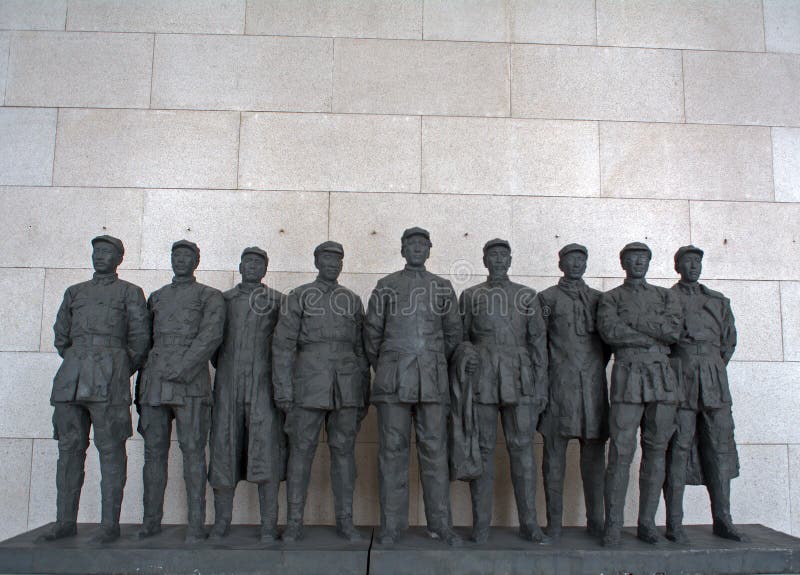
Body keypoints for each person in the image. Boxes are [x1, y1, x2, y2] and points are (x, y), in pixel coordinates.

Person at [38, 235, 150, 544]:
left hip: (109, 378)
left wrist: (115, 368)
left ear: (119, 259)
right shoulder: (75, 292)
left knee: (111, 451)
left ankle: (109, 525)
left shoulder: (130, 293)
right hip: (71, 379)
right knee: (69, 450)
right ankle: (65, 521)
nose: (100, 256)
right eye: (96, 252)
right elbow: (61, 336)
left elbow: (140, 341)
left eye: (107, 252)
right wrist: (81, 359)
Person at [364, 227, 462, 546]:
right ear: (402, 249)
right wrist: (389, 366)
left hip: (432, 380)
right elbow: (371, 335)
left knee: (435, 452)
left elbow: (453, 336)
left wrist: (431, 361)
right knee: (392, 453)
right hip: (394, 378)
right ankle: (392, 526)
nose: (417, 249)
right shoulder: (386, 286)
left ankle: (440, 524)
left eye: (423, 244)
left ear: (430, 249)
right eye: (411, 244)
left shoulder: (443, 287)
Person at [272, 241, 370, 542]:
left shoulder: (352, 300)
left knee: (344, 455)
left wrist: (362, 392)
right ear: (316, 261)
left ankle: (346, 522)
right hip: (308, 384)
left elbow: (361, 350)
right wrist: (284, 390)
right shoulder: (299, 296)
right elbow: (283, 345)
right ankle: (294, 523)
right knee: (301, 453)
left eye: (337, 259)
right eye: (326, 258)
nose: (332, 264)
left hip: (346, 387)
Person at [458, 238, 548, 543]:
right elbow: (458, 338)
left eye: (503, 255)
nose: (498, 260)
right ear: (484, 261)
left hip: (520, 379)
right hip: (482, 378)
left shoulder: (527, 296)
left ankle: (529, 523)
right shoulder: (470, 296)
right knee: (481, 451)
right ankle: (481, 525)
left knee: (522, 451)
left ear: (510, 260)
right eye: (492, 255)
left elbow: (538, 346)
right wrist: (466, 353)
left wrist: (540, 388)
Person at [136, 240, 225, 544]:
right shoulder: (157, 297)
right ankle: (151, 521)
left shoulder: (209, 296)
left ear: (196, 261)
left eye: (187, 256)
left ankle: (196, 525)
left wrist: (185, 367)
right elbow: (143, 342)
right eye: (176, 256)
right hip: (155, 381)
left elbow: (211, 336)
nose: (181, 261)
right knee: (153, 454)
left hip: (191, 384)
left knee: (193, 453)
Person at [597, 242, 682, 546]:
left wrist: (633, 323)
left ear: (649, 262)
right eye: (632, 258)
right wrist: (651, 333)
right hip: (628, 374)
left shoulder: (666, 296)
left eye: (643, 258)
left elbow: (673, 332)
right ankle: (613, 525)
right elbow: (611, 332)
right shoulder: (610, 299)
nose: (638, 263)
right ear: (622, 263)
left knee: (657, 450)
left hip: (661, 376)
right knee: (620, 452)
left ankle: (647, 523)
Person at [663, 245, 745, 544]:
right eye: (688, 261)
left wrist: (709, 364)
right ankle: (674, 522)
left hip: (713, 380)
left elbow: (728, 342)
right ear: (677, 266)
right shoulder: (665, 299)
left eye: (698, 261)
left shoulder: (718, 302)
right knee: (678, 448)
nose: (694, 266)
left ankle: (723, 519)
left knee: (719, 448)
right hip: (680, 378)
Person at [208, 247, 285, 542]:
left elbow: (286, 345)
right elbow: (212, 343)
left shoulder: (278, 302)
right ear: (239, 265)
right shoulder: (221, 301)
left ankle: (268, 524)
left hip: (264, 385)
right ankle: (221, 522)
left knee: (266, 452)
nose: (252, 266)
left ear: (265, 269)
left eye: (259, 262)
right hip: (228, 384)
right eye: (248, 261)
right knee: (224, 450)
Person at [537, 243, 609, 540]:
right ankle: (553, 523)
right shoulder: (546, 299)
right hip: (558, 388)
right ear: (560, 264)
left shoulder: (600, 300)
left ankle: (596, 521)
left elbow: (607, 345)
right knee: (553, 459)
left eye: (582, 259)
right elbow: (537, 346)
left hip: (592, 390)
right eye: (571, 259)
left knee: (594, 459)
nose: (577, 264)